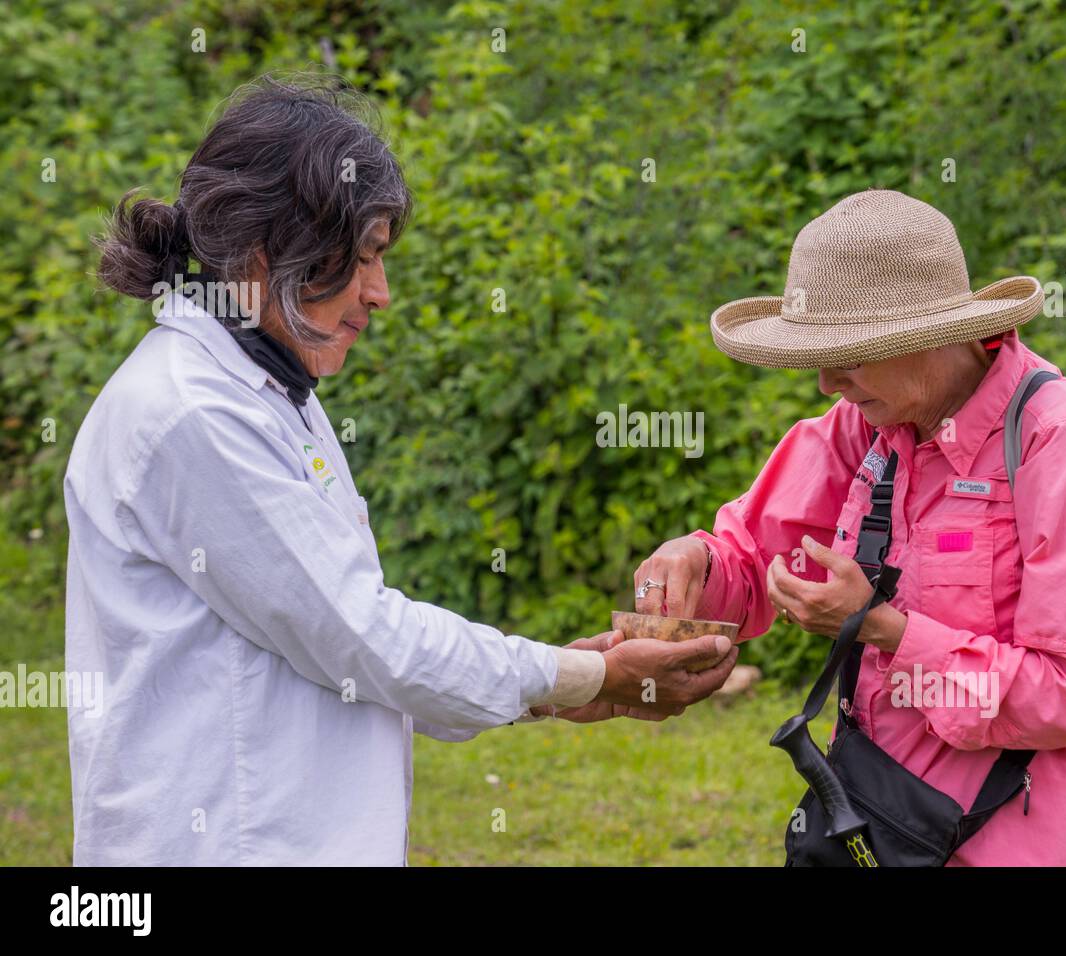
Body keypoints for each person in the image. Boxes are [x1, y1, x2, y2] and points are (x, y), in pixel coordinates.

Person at [66, 74, 736, 866]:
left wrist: (563, 691)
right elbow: (361, 636)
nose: (379, 294)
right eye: (359, 261)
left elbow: (345, 648)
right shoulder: (194, 413)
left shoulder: (269, 380)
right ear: (262, 253)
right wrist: (581, 675)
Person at [635, 189, 1066, 866]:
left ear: (926, 335)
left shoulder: (1061, 439)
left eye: (846, 355)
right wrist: (695, 562)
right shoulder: (868, 426)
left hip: (1014, 840)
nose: (826, 382)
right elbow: (751, 559)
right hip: (877, 825)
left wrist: (883, 628)